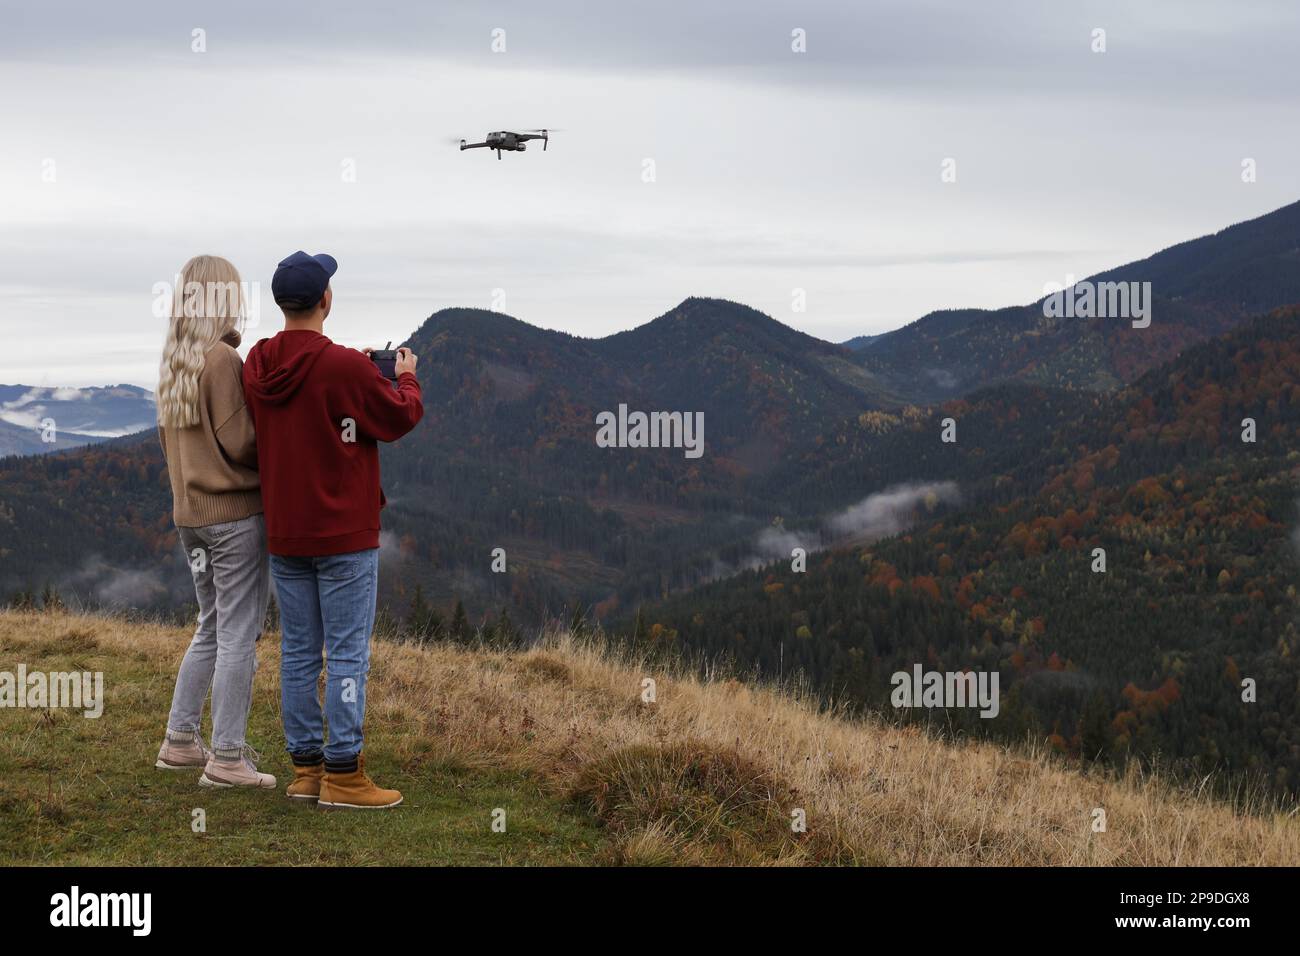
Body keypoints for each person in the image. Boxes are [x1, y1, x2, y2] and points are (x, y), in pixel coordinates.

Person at [243, 251, 423, 809]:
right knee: (346, 655)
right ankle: (345, 774)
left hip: (287, 531)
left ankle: (306, 771)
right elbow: (396, 417)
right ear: (326, 300)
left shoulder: (257, 364)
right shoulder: (344, 366)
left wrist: (360, 368)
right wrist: (406, 376)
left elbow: (306, 392)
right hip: (344, 532)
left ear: (280, 302)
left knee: (299, 652)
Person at [154, 254, 275, 789]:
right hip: (233, 516)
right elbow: (241, 442)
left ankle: (180, 740)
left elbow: (170, 444)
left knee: (211, 624)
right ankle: (226, 757)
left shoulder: (174, 360)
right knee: (238, 635)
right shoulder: (222, 360)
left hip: (191, 518)